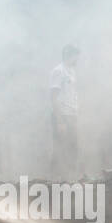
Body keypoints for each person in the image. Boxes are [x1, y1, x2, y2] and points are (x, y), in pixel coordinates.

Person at [49, 44, 80, 178]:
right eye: (76, 56)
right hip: (62, 115)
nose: (77, 59)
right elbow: (53, 98)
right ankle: (56, 179)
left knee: (73, 147)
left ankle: (70, 177)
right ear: (69, 55)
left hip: (72, 114)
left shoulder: (72, 71)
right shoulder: (58, 71)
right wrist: (60, 121)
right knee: (60, 148)